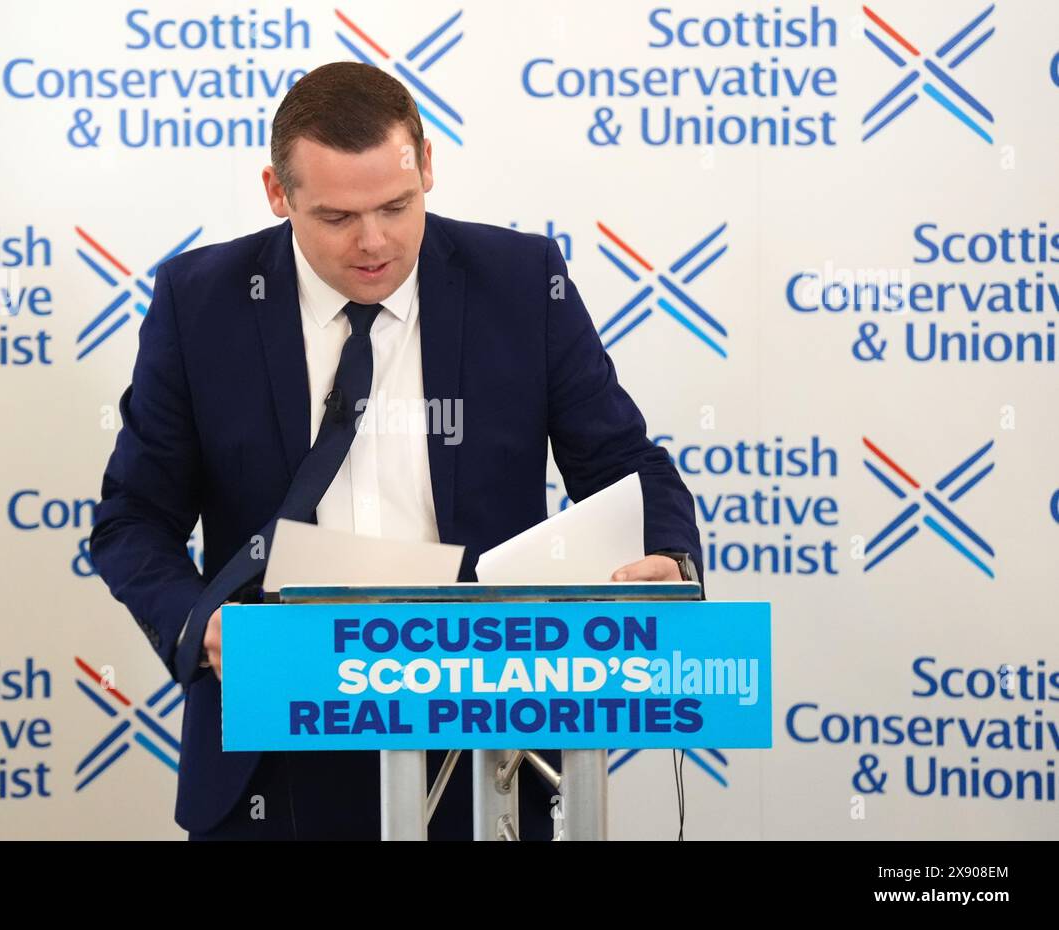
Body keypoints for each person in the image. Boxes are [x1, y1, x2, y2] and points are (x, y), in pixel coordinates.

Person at [89, 61, 703, 841]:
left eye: (396, 205)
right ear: (277, 195)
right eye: (338, 217)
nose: (374, 242)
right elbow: (134, 519)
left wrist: (668, 560)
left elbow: (625, 464)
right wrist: (201, 625)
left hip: (489, 738)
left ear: (428, 167)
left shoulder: (520, 283)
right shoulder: (199, 302)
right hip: (272, 747)